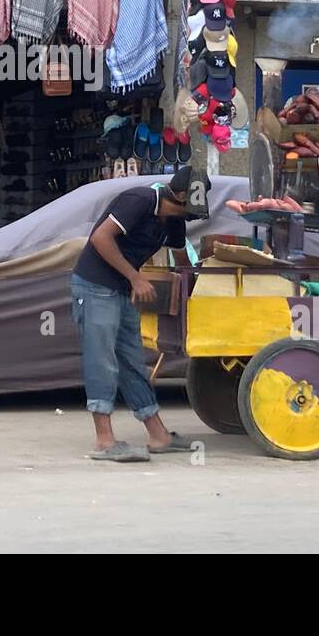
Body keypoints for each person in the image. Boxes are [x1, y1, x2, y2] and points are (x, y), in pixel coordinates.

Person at [70, 166, 202, 462]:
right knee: (102, 359)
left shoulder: (173, 220)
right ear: (181, 195)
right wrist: (136, 278)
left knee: (132, 359)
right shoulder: (139, 200)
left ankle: (158, 434)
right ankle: (104, 440)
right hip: (94, 285)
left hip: (120, 289)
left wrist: (194, 284)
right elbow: (101, 238)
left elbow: (180, 256)